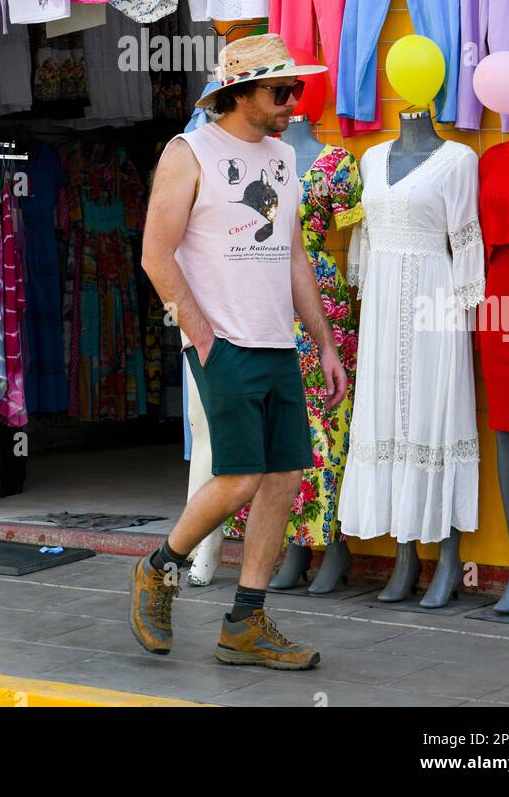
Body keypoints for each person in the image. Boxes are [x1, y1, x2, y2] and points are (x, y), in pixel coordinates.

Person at [132, 34, 348, 669]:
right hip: (223, 342)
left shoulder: (282, 158)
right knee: (239, 478)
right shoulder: (188, 151)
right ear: (239, 94)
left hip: (279, 342)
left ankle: (245, 622)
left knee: (282, 479)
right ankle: (158, 569)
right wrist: (203, 337)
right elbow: (154, 256)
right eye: (281, 92)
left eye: (296, 91)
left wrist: (326, 344)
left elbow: (294, 259)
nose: (293, 103)